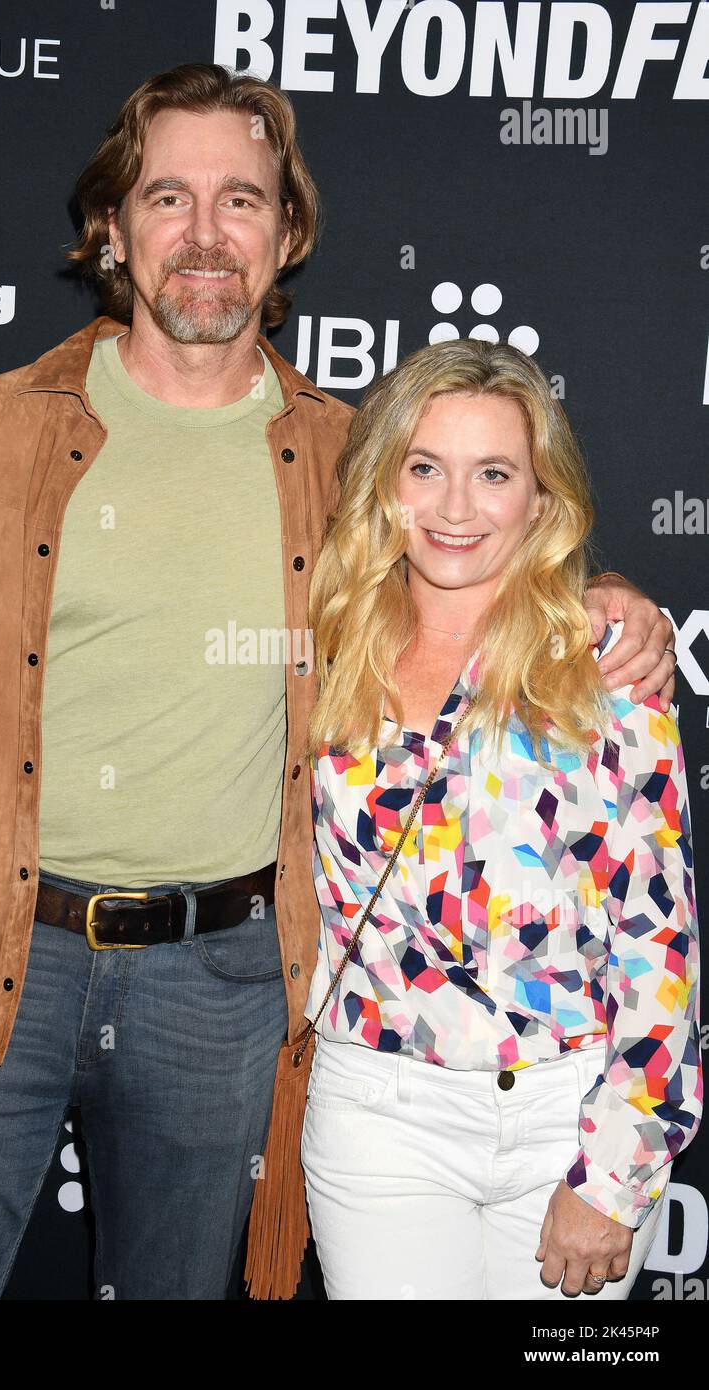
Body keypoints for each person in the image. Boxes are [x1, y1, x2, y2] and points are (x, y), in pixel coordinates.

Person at [0, 64, 677, 1302]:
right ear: (114, 230)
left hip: (223, 987)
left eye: (243, 201)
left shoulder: (346, 458)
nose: (207, 236)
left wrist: (609, 604)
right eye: (170, 198)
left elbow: (482, 550)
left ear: (288, 234)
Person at [299, 337, 700, 1300]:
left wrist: (616, 1174)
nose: (456, 508)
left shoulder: (603, 660)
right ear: (385, 480)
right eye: (425, 467)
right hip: (377, 1111)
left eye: (494, 474)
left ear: (541, 496)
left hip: (571, 1112)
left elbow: (661, 939)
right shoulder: (320, 636)